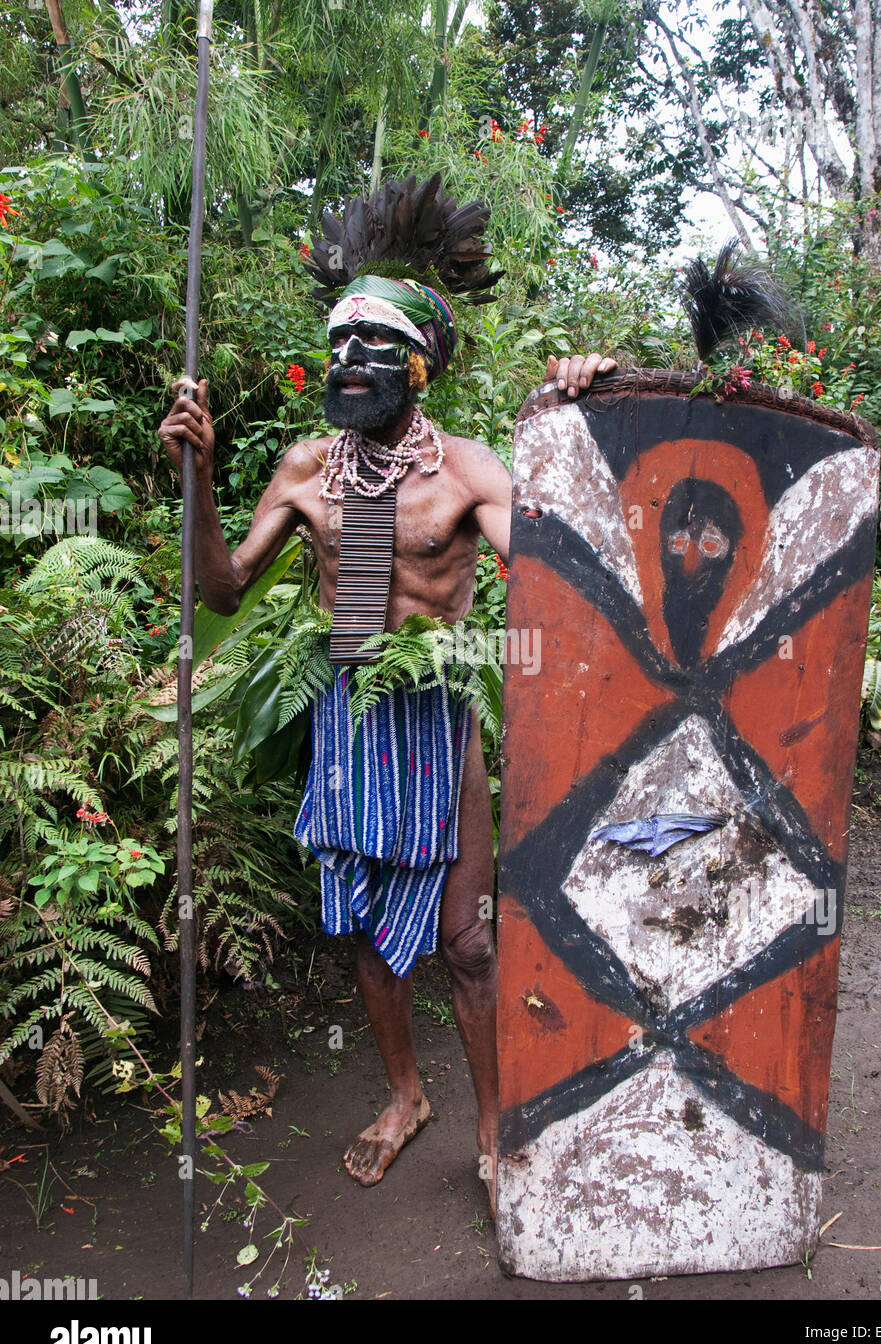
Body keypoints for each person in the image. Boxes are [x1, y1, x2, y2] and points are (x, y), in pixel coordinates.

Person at [158, 178, 615, 1210]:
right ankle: (405, 1095)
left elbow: (562, 580)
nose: (348, 368)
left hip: (435, 720)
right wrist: (197, 475)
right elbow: (222, 587)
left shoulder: (466, 473)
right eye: (337, 349)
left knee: (465, 939)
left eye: (373, 350)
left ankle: (496, 1129)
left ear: (420, 363)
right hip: (346, 721)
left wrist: (582, 421)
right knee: (364, 930)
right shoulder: (305, 470)